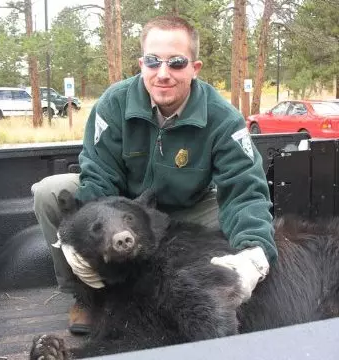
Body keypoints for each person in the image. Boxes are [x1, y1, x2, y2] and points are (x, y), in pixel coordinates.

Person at [32, 15, 278, 335]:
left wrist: (254, 256)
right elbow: (99, 179)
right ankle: (86, 296)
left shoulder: (222, 118)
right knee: (51, 191)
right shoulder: (113, 105)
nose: (163, 74)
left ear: (195, 67)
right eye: (153, 62)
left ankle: (211, 292)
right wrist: (72, 237)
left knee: (236, 220)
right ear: (141, 64)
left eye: (176, 63)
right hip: (123, 213)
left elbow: (245, 190)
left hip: (189, 208)